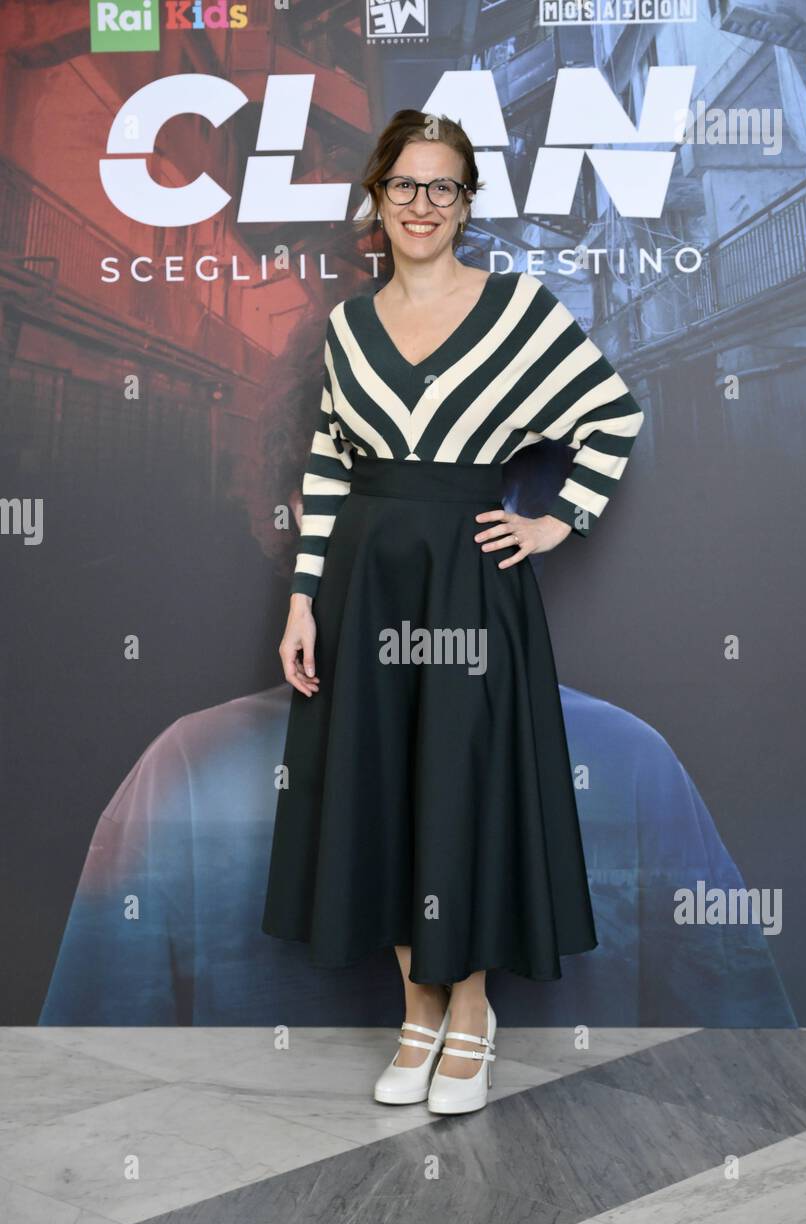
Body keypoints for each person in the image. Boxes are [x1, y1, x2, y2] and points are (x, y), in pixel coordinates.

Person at [260, 109, 646, 1114]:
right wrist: (304, 599)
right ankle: (416, 1009)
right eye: (404, 187)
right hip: (365, 581)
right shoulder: (346, 328)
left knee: (459, 785)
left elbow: (610, 413)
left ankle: (470, 1009)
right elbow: (329, 466)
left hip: (470, 586)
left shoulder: (519, 311)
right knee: (382, 784)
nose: (421, 205)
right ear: (376, 201)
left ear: (466, 204)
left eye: (443, 188)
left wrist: (554, 521)